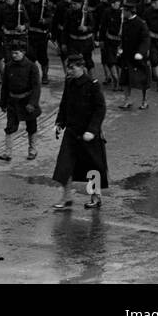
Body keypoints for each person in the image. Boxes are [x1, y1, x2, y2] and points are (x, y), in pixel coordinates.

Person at [52, 53, 108, 210]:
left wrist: (92, 130)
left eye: (72, 68)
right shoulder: (69, 82)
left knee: (93, 167)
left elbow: (100, 109)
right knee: (65, 166)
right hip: (71, 132)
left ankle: (95, 197)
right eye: (68, 68)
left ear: (81, 67)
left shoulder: (93, 84)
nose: (69, 71)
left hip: (89, 134)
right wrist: (59, 123)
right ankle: (66, 198)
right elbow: (65, 104)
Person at [0, 39, 42, 162]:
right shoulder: (8, 66)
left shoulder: (31, 67)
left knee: (31, 126)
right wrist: (3, 103)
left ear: (23, 52)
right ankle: (8, 152)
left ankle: (32, 150)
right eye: (12, 53)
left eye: (16, 53)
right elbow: (5, 86)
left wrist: (32, 103)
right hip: (13, 101)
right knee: (10, 127)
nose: (14, 55)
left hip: (27, 101)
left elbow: (36, 87)